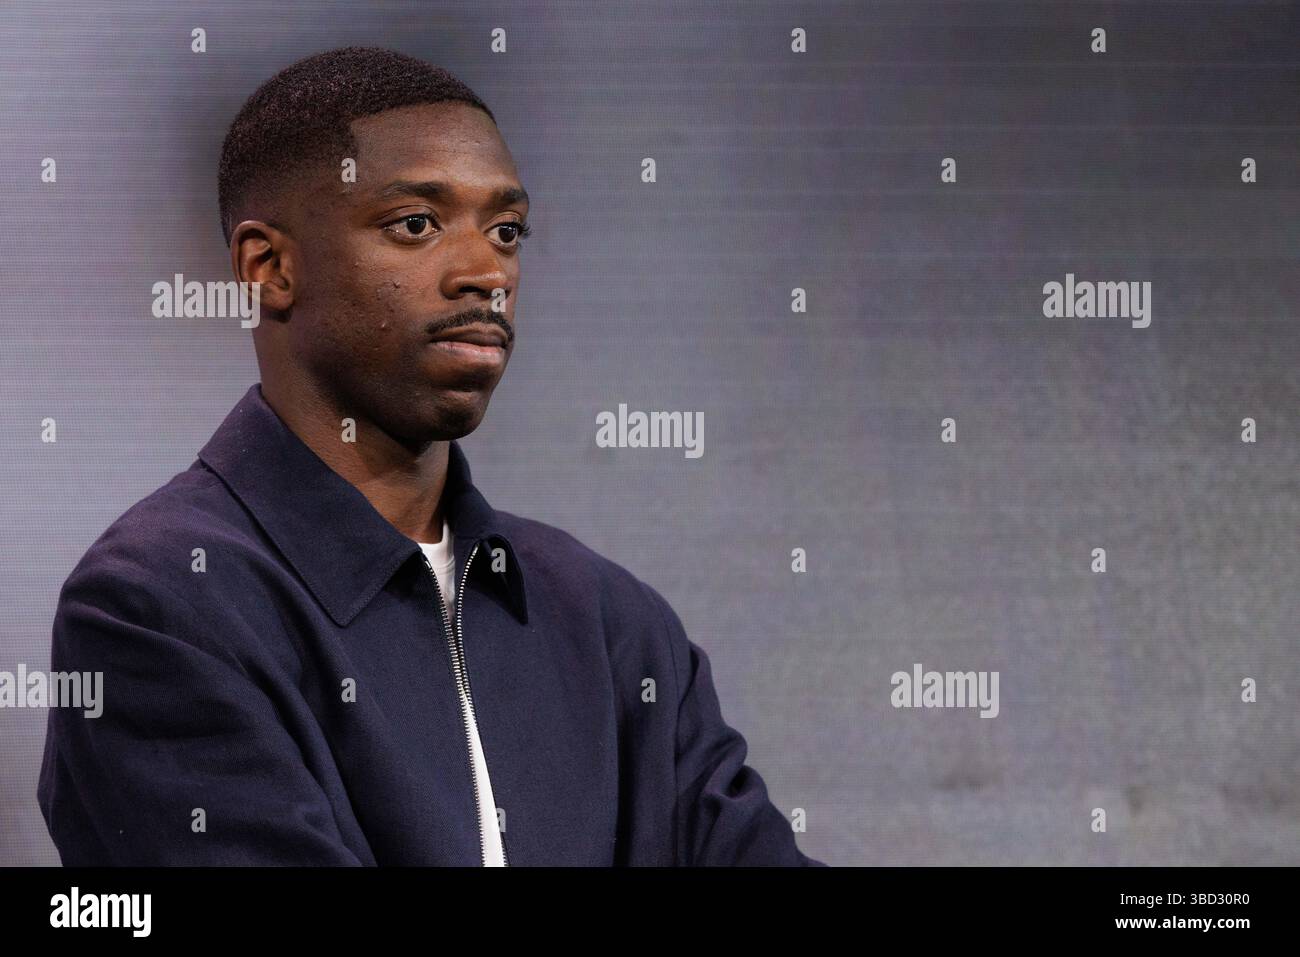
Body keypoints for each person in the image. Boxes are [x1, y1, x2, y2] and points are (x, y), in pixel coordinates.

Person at [37, 46, 822, 867]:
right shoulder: (158, 604)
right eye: (415, 224)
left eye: (507, 231)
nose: (486, 273)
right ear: (268, 268)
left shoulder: (608, 620)